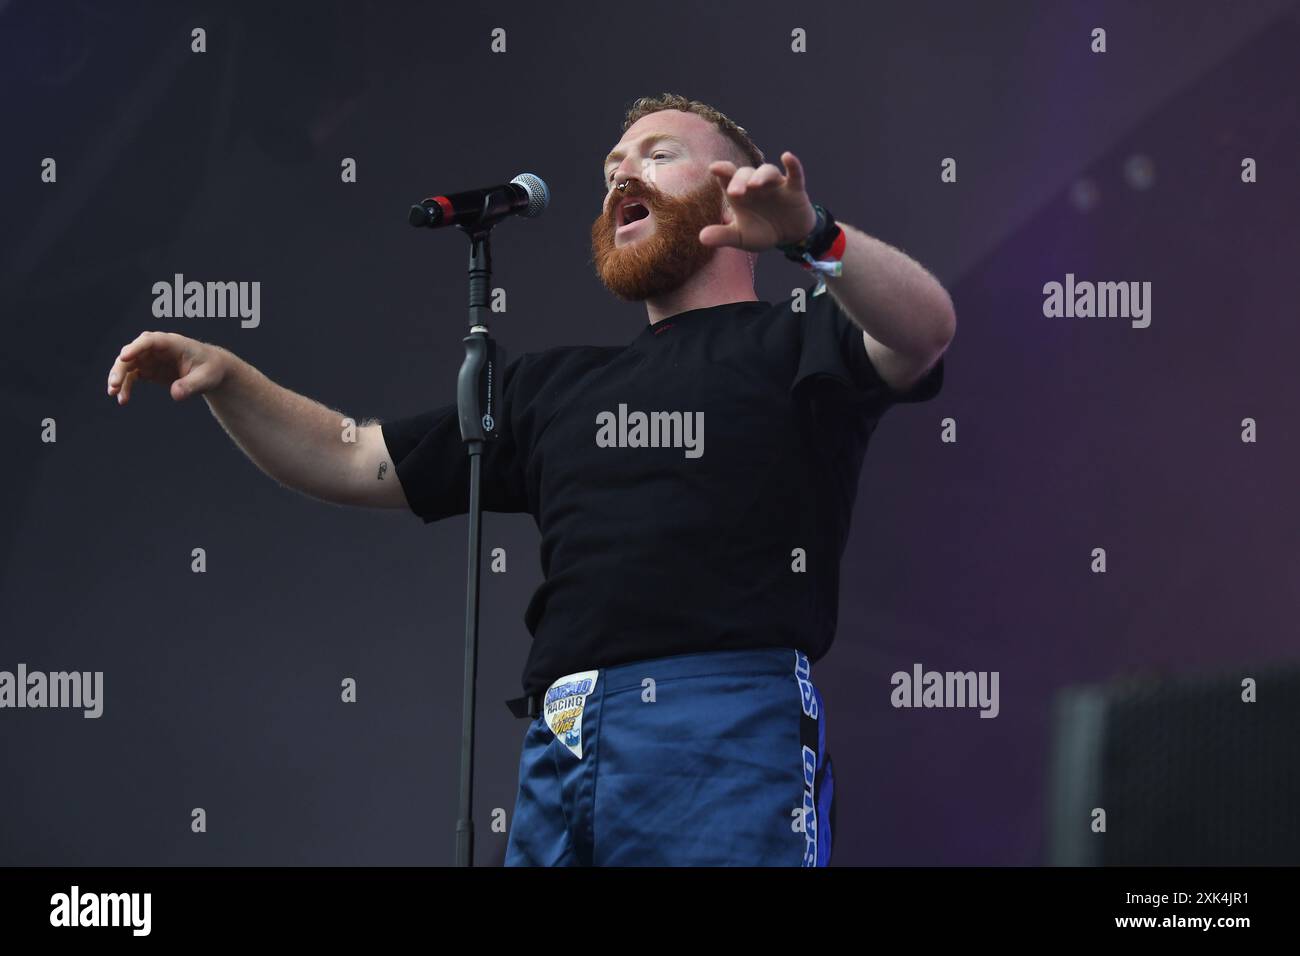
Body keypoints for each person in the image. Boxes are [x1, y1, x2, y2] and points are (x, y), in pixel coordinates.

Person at [105, 93, 955, 866]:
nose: (623, 171)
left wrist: (815, 235)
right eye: (612, 167)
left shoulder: (798, 337)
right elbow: (351, 455)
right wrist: (228, 377)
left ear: (733, 187)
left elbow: (924, 331)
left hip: (722, 728)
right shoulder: (551, 386)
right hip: (565, 737)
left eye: (657, 154)